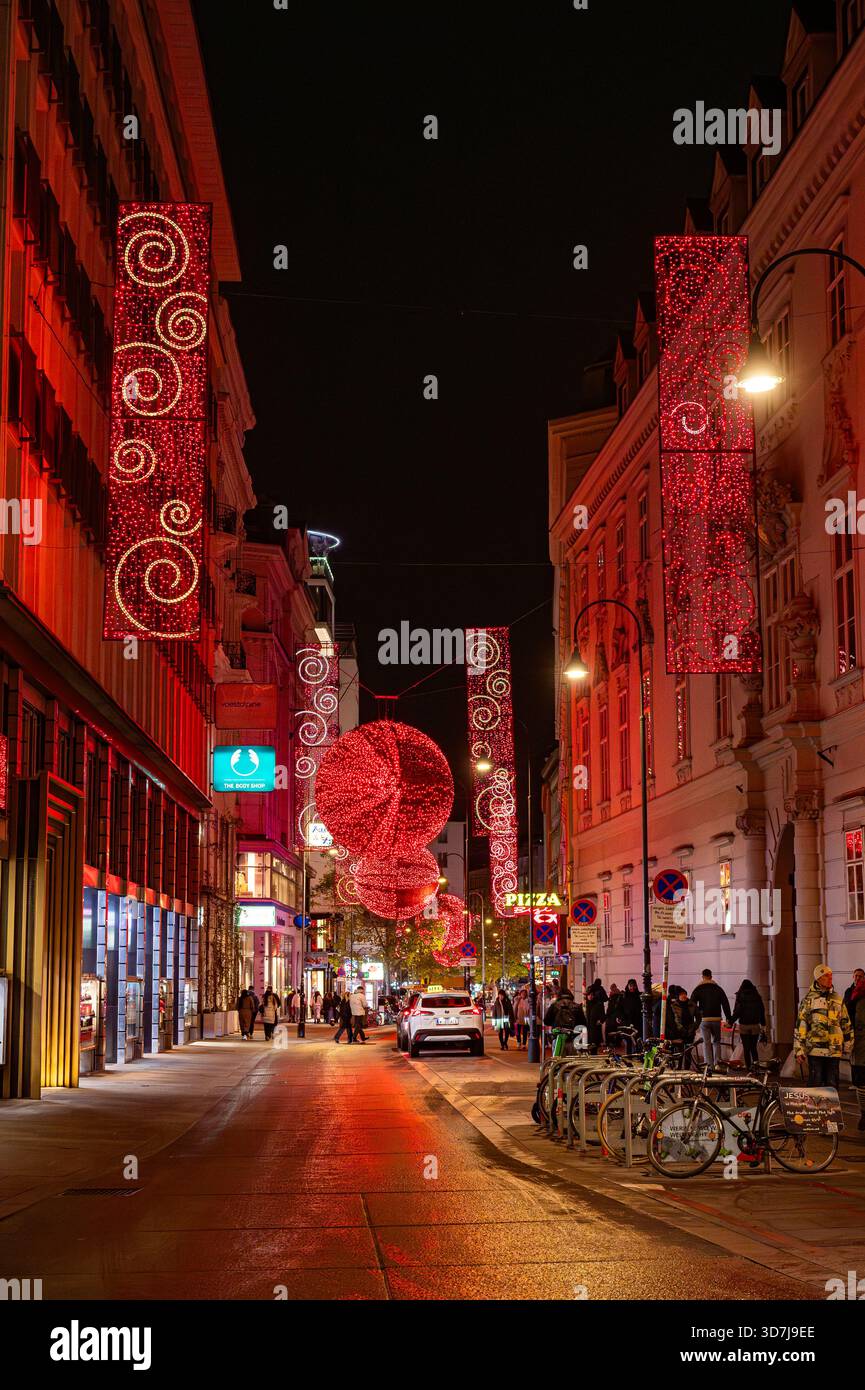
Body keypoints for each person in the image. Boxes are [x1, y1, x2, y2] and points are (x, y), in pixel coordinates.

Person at [794, 963, 853, 1089]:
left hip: (834, 1050)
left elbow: (846, 1022)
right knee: (815, 1085)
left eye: (831, 975)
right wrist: (799, 1049)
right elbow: (801, 1025)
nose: (830, 978)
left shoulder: (837, 998)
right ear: (818, 979)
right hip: (815, 1050)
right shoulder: (809, 999)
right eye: (826, 976)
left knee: (832, 1086)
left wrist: (848, 1044)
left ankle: (831, 1109)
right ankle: (813, 1109)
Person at [690, 968, 732, 1069]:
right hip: (717, 1019)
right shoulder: (718, 989)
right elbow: (725, 1004)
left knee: (706, 1042)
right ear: (711, 976)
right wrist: (728, 1019)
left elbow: (691, 1004)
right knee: (716, 1041)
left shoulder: (698, 989)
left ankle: (709, 1065)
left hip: (704, 1020)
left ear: (702, 976)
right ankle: (717, 1063)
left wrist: (696, 1015)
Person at [845, 969, 865, 1129]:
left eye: (860, 976)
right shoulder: (851, 994)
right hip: (858, 1044)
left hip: (859, 1044)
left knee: (861, 1082)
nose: (857, 979)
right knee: (860, 1082)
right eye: (856, 976)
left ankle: (864, 1116)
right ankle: (864, 1115)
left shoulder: (856, 996)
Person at [731, 979, 766, 1069]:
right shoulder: (757, 997)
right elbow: (762, 1011)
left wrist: (730, 1021)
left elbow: (737, 1012)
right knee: (753, 1048)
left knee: (746, 1048)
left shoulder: (740, 996)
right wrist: (763, 1024)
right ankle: (756, 1066)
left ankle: (748, 1067)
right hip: (755, 1026)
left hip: (744, 1026)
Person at [543, 987, 587, 1055]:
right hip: (573, 1039)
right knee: (572, 1062)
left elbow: (546, 1021)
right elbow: (583, 1024)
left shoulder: (554, 1006)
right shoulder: (577, 1006)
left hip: (558, 1039)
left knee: (557, 1061)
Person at [585, 982, 606, 1052]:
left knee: (593, 1050)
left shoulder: (598, 1005)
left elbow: (603, 1016)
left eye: (592, 995)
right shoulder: (585, 1005)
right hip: (586, 1031)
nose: (590, 996)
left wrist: (600, 1021)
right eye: (589, 995)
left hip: (595, 1031)